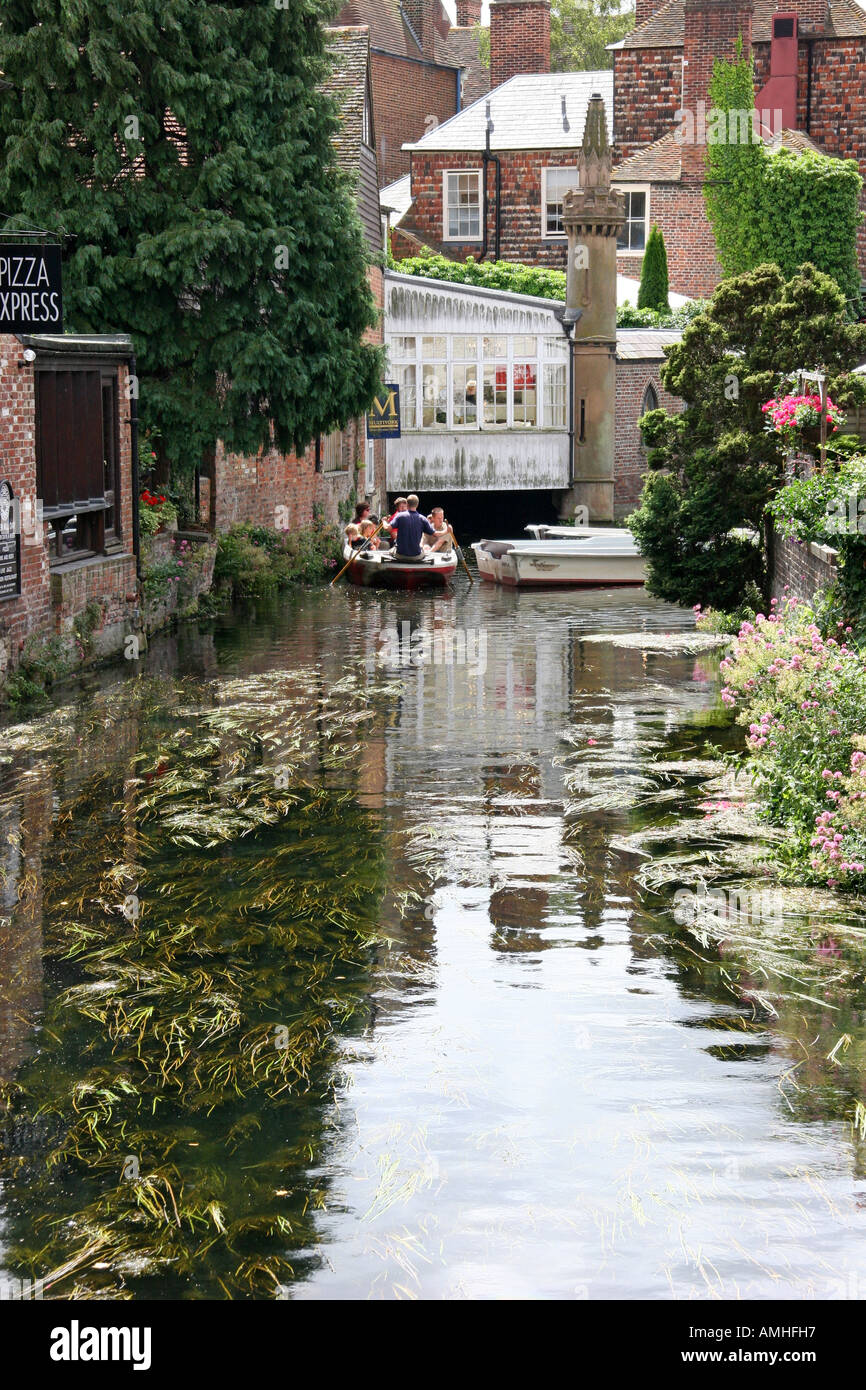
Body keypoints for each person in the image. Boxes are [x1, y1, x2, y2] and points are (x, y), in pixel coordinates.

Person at [391, 494, 435, 561]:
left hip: (400, 555)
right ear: (417, 505)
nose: (403, 509)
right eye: (401, 507)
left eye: (404, 507)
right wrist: (446, 531)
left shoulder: (399, 516)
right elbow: (435, 534)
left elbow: (388, 528)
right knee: (423, 550)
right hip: (416, 556)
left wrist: (384, 522)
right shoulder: (423, 519)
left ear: (407, 504)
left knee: (391, 550)